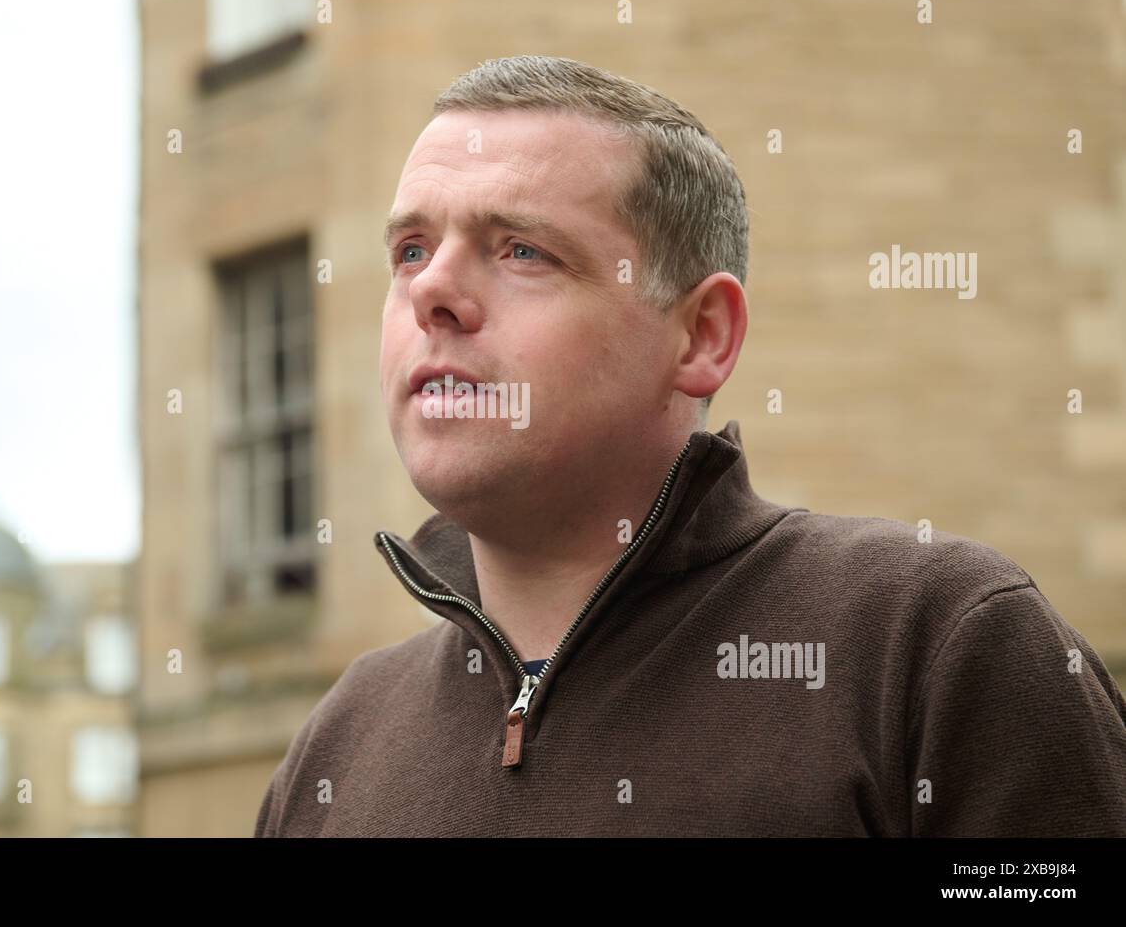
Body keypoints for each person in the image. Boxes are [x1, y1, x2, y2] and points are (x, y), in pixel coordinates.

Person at [255, 55, 1126, 837]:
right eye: (410, 251)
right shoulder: (339, 744)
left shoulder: (935, 648)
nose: (431, 291)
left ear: (702, 335)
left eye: (521, 250)